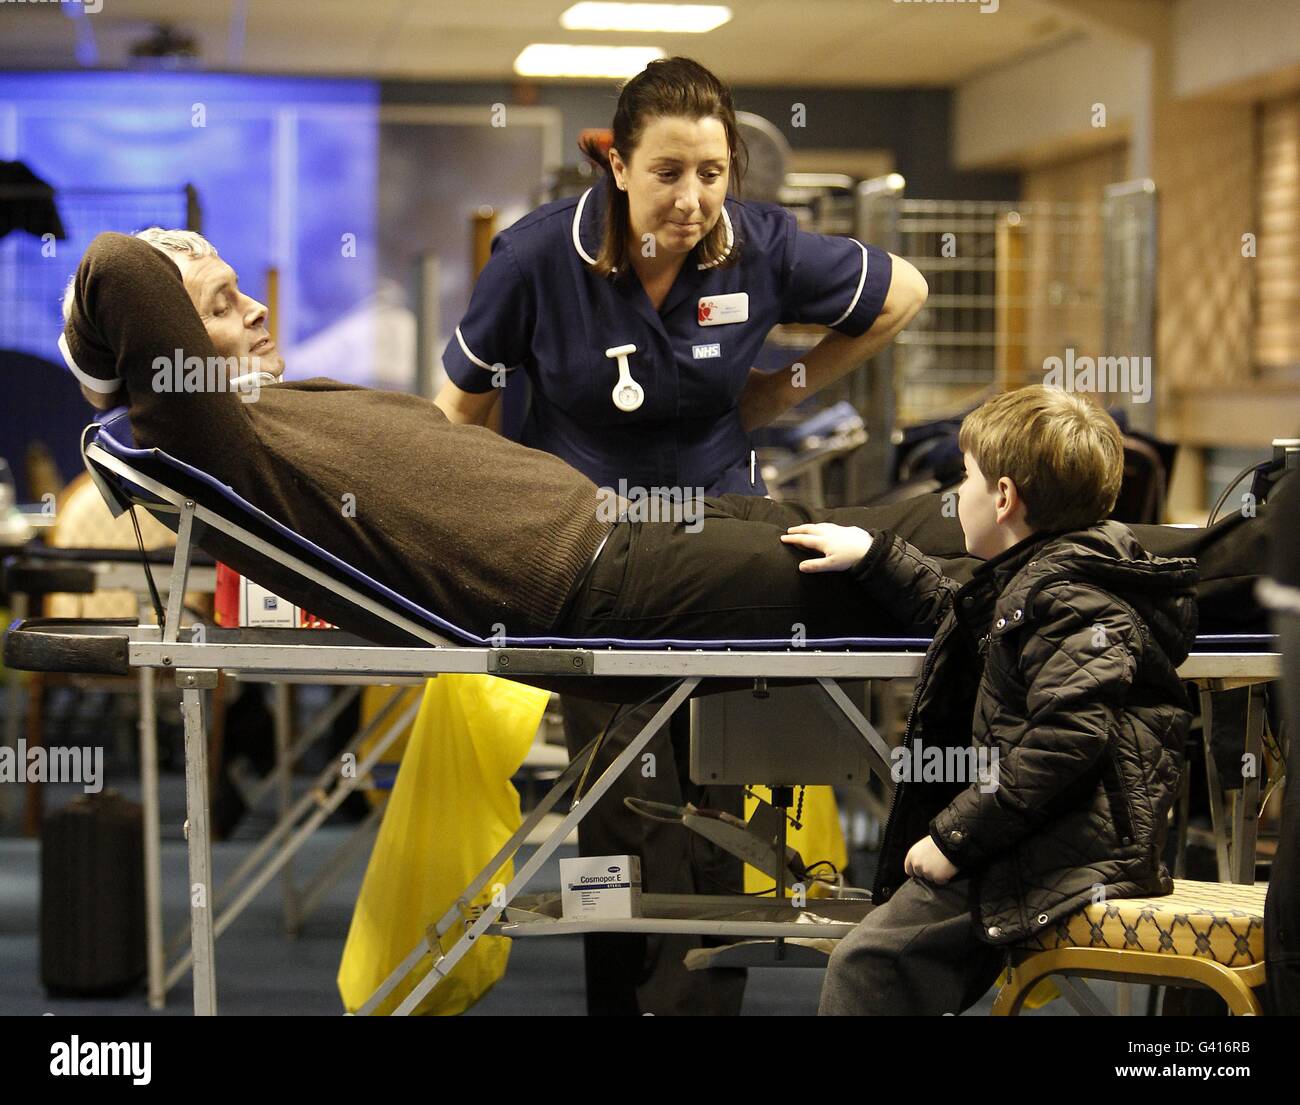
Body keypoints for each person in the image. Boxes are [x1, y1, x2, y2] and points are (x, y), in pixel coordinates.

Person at [434, 55, 928, 1016]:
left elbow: (899, 290)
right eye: (669, 172)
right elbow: (457, 412)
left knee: (723, 782)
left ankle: (708, 1000)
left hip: (717, 541)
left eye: (713, 171)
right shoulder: (537, 257)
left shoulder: (760, 245)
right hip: (590, 559)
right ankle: (626, 997)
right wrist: (483, 535)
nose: (695, 197)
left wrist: (785, 387)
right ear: (617, 164)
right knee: (621, 792)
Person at [795, 387, 1199, 1016]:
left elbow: (1063, 743)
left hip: (1065, 847)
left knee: (871, 963)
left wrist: (955, 839)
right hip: (1041, 828)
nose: (957, 493)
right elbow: (964, 615)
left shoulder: (1074, 599)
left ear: (1005, 497)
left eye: (967, 478)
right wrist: (875, 556)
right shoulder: (1048, 578)